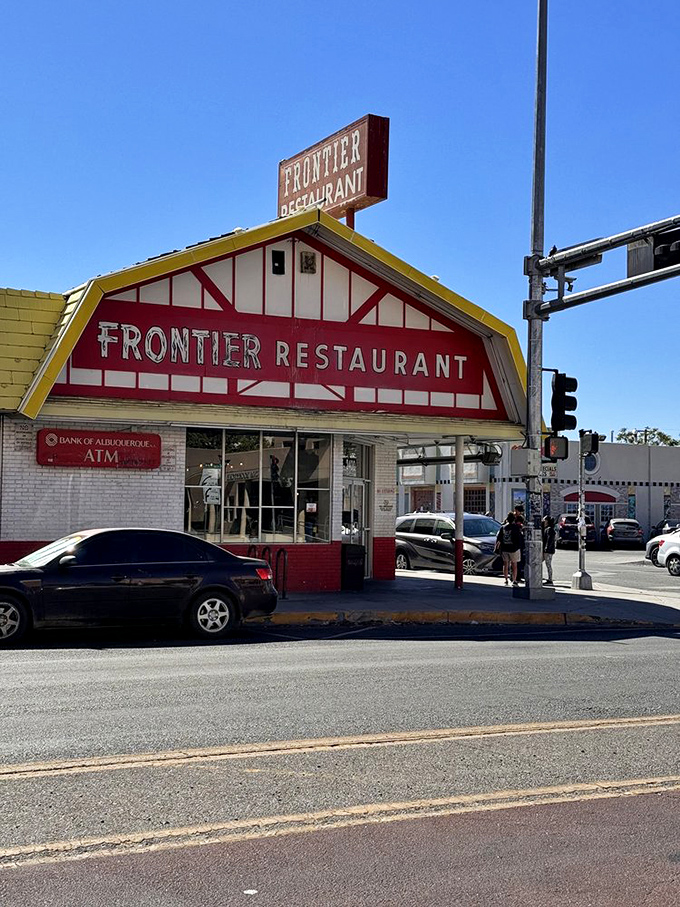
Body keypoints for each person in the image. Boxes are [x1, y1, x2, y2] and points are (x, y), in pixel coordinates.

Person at [496, 512, 523, 586]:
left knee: (505, 564)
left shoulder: (503, 527)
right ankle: (514, 580)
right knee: (514, 565)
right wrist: (520, 546)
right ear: (514, 519)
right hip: (514, 549)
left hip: (505, 548)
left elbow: (499, 538)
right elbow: (519, 538)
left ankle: (506, 579)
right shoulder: (516, 527)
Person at [513, 504, 526, 582]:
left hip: (520, 541)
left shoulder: (521, 518)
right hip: (514, 542)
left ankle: (519, 576)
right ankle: (514, 577)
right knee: (514, 561)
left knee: (520, 560)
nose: (520, 513)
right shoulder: (512, 518)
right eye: (519, 511)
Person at [542, 515, 555, 585]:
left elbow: (549, 540)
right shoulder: (547, 529)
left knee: (548, 564)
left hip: (548, 551)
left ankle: (550, 579)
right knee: (539, 562)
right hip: (547, 550)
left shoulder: (549, 529)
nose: (543, 521)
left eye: (544, 520)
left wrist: (546, 548)